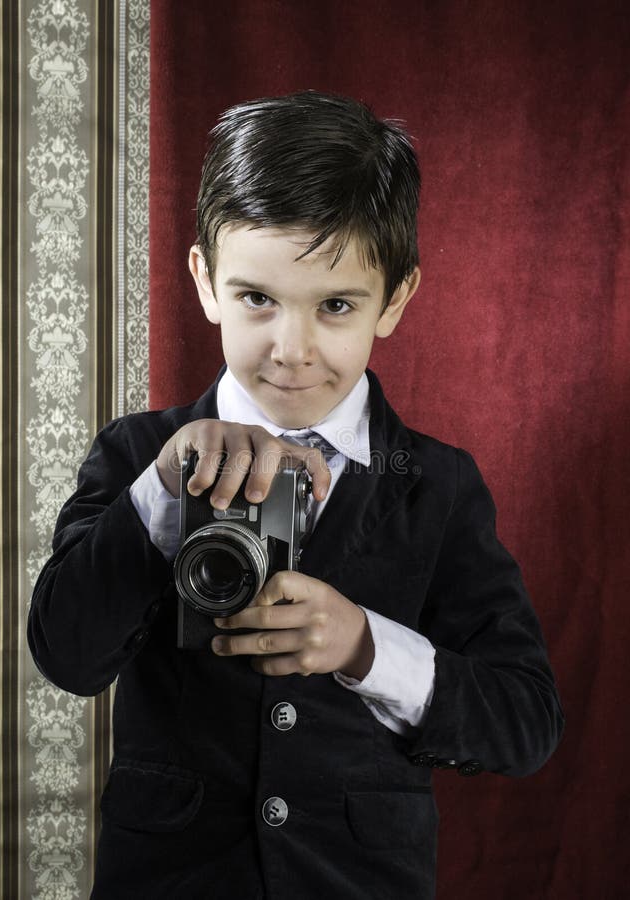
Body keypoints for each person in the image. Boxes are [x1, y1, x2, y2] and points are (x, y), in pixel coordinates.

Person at [28, 91, 564, 900]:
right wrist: (161, 494)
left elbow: (524, 725)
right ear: (205, 282)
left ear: (396, 300)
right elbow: (66, 656)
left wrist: (364, 647)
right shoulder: (138, 455)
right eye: (256, 299)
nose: (290, 349)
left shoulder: (441, 487)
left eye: (336, 305)